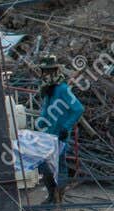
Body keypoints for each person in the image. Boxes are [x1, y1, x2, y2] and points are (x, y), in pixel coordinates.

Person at [34, 59, 84, 189]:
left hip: (58, 136)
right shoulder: (48, 90)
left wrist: (65, 128)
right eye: (44, 71)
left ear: (55, 71)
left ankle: (58, 199)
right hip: (47, 135)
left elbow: (78, 109)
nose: (45, 74)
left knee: (59, 167)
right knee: (46, 167)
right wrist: (38, 124)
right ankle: (52, 196)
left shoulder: (62, 89)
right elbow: (45, 111)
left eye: (48, 71)